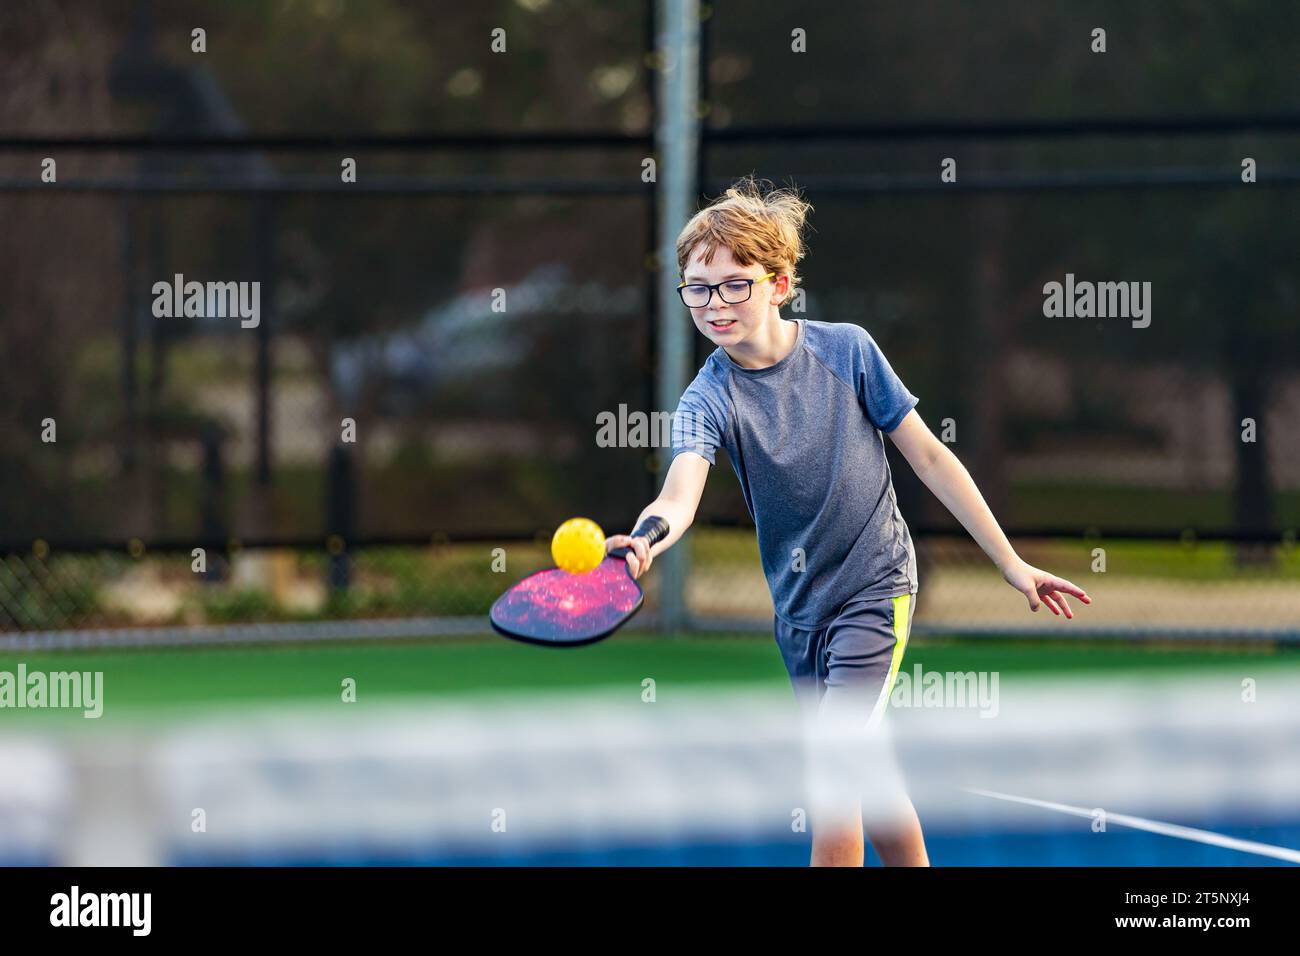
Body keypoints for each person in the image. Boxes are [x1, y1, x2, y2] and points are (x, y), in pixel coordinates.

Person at [605, 175, 1091, 866]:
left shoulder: (849, 352)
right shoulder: (705, 398)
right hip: (799, 611)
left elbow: (928, 456)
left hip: (875, 585)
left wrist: (1010, 563)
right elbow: (679, 492)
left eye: (735, 283)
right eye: (698, 287)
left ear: (779, 285)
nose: (715, 303)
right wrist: (646, 537)